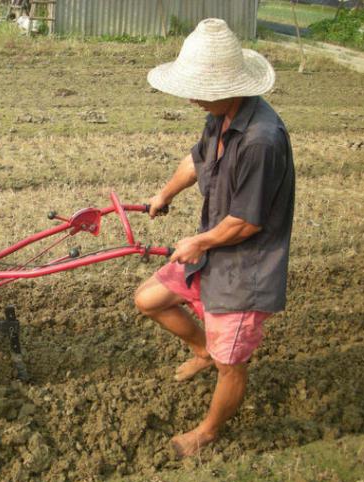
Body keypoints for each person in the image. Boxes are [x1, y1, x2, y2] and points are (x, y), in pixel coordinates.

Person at [135, 18, 295, 458]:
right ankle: (202, 349)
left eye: (199, 86)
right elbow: (197, 160)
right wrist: (163, 194)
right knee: (149, 298)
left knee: (233, 364)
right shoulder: (221, 115)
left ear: (228, 85)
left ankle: (206, 433)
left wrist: (199, 242)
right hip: (213, 253)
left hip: (246, 267)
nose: (190, 95)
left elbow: (246, 223)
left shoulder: (262, 140)